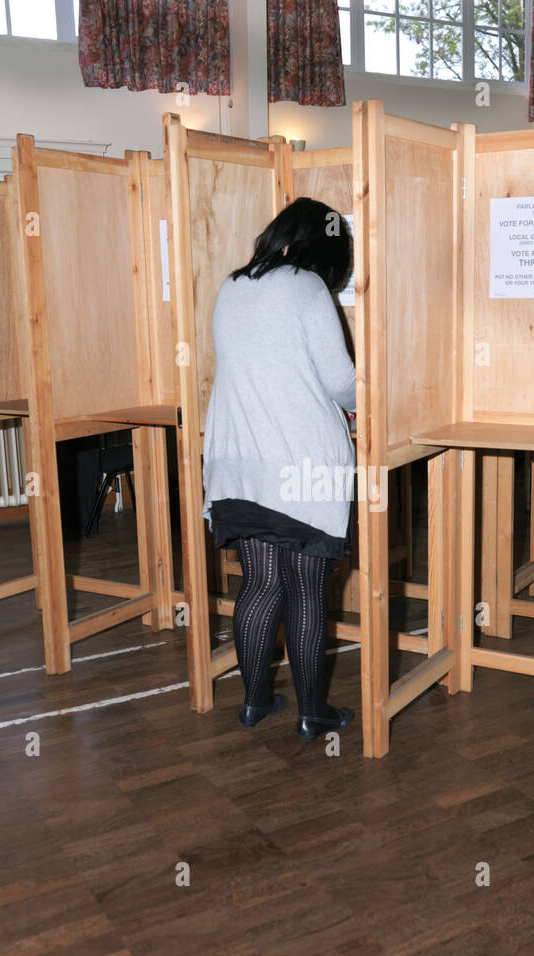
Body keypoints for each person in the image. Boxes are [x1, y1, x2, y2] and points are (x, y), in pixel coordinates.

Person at [202, 197, 356, 740]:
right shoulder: (308, 288)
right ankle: (313, 714)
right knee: (309, 590)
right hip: (300, 464)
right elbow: (342, 383)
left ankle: (255, 701)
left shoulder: (232, 286)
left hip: (237, 464)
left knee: (261, 583)